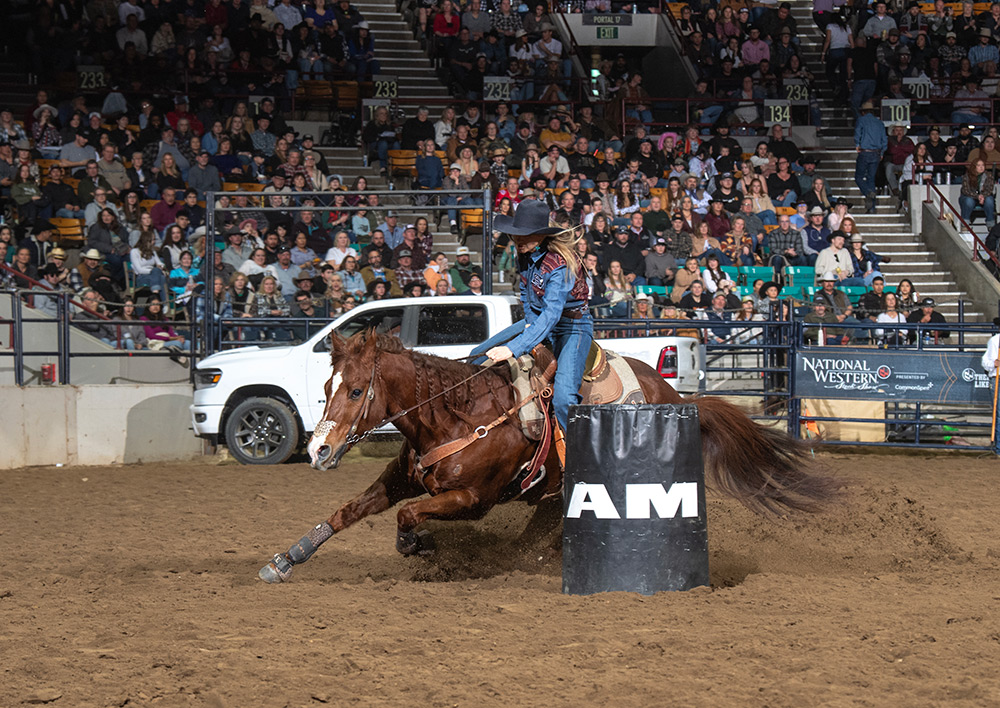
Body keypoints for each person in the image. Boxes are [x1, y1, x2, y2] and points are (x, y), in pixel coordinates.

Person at [482, 200, 593, 455]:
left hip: (572, 326)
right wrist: (532, 331)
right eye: (517, 234)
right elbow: (526, 295)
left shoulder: (561, 263)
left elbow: (553, 315)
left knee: (564, 397)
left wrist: (515, 347)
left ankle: (583, 458)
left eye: (525, 235)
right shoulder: (525, 256)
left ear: (541, 235)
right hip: (539, 321)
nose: (518, 240)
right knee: (480, 352)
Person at [854, 101, 888, 214]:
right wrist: (882, 152)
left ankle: (868, 192)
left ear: (863, 112)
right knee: (871, 179)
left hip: (865, 152)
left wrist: (857, 144)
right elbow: (884, 139)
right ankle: (872, 208)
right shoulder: (879, 123)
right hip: (876, 153)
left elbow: (858, 133)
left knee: (858, 177)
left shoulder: (861, 120)